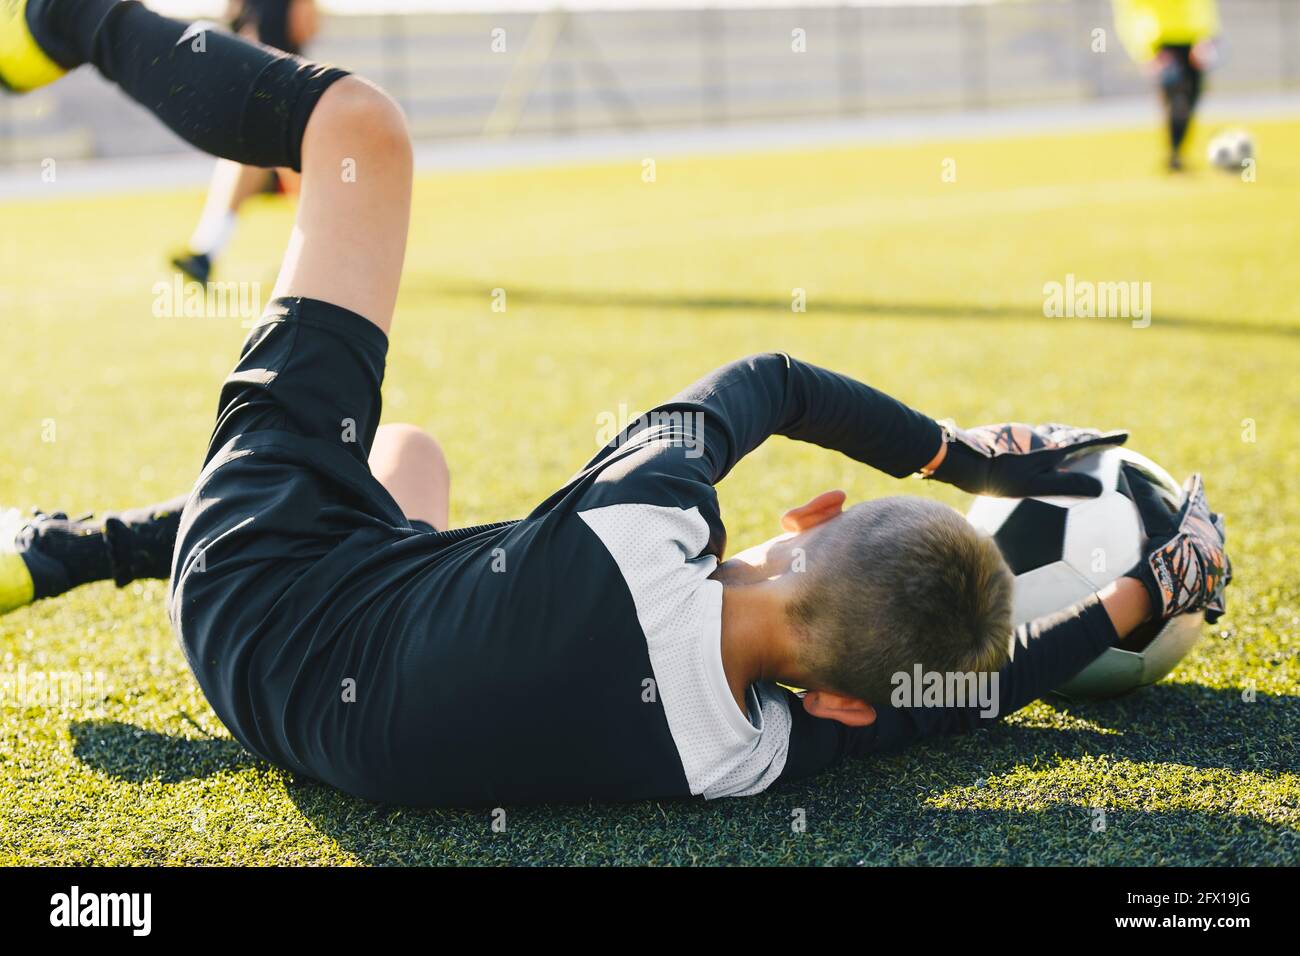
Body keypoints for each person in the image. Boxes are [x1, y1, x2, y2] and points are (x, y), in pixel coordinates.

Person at [0, 0, 1231, 807]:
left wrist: (964, 458)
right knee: (406, 456)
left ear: (805, 520)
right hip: (293, 704)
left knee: (360, 130)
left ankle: (61, 20)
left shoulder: (645, 524)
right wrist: (1130, 598)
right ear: (854, 701)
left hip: (260, 569)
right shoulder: (744, 758)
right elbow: (965, 699)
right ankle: (67, 552)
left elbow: (774, 382)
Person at [170, 0, 319, 283]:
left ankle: (318, 256)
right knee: (246, 160)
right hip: (255, 91)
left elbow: (305, 29)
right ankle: (207, 252)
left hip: (284, 90)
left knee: (292, 175)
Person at [1112, 0, 1221, 171]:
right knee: (1177, 101)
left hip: (1194, 42)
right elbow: (1128, 14)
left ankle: (1178, 154)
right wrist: (1146, 51)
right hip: (1161, 44)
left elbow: (1204, 5)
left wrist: (1206, 37)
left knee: (1192, 98)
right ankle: (1174, 156)